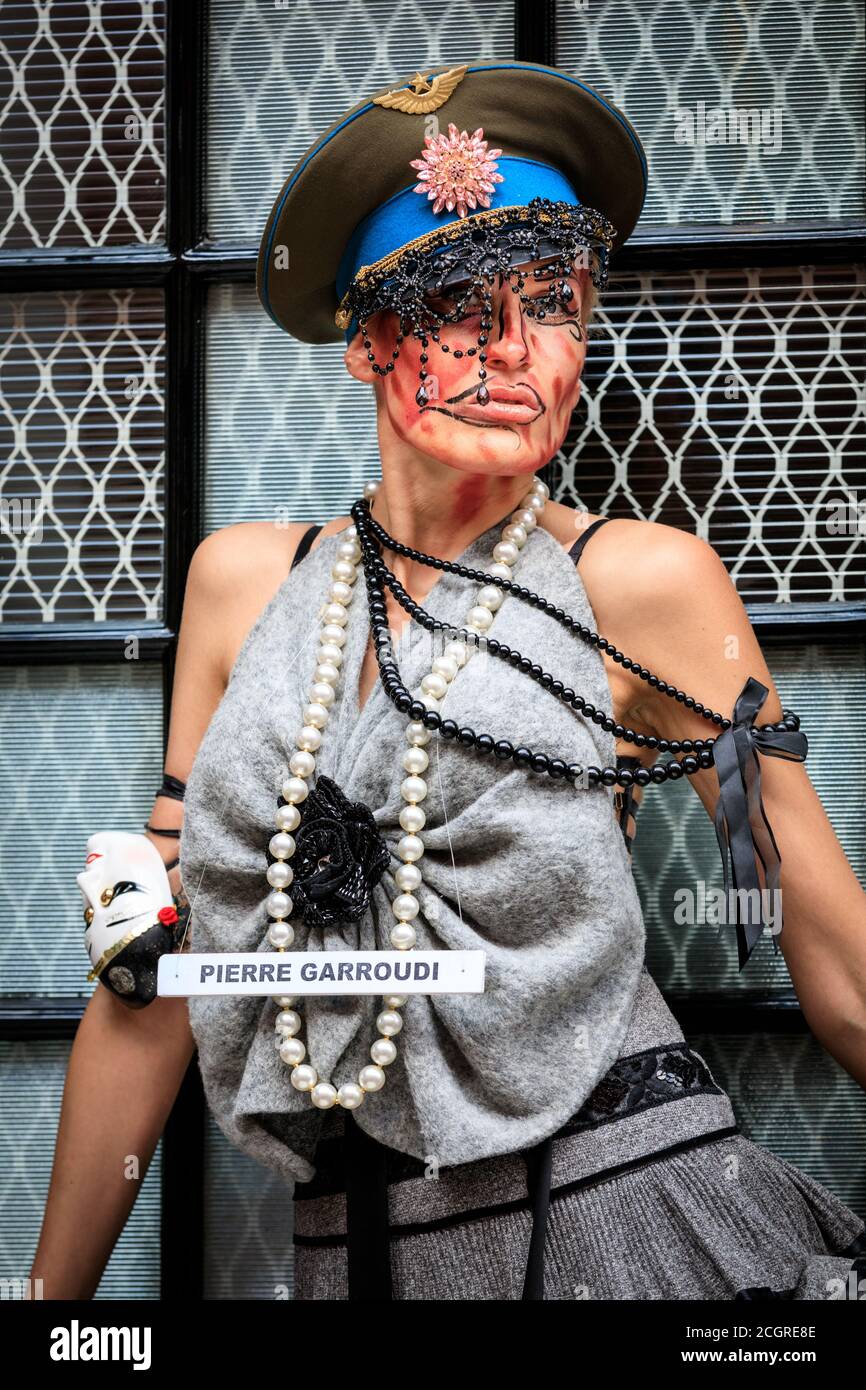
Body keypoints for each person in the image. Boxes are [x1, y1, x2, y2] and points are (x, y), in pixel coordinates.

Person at [34, 60, 866, 1302]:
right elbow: (151, 987)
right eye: (461, 309)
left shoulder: (646, 586)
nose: (517, 353)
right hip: (351, 1257)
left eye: (555, 306)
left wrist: (730, 824)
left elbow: (809, 935)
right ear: (371, 339)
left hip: (619, 1224)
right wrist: (49, 1312)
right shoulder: (242, 585)